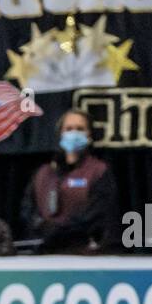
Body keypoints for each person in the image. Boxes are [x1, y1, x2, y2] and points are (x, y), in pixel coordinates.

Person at [20, 109, 118, 254]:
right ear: (60, 134)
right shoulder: (43, 172)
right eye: (69, 129)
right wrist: (42, 227)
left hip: (84, 250)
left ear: (89, 134)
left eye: (80, 129)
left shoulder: (99, 170)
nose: (74, 133)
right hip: (44, 250)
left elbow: (97, 212)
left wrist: (61, 231)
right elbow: (28, 209)